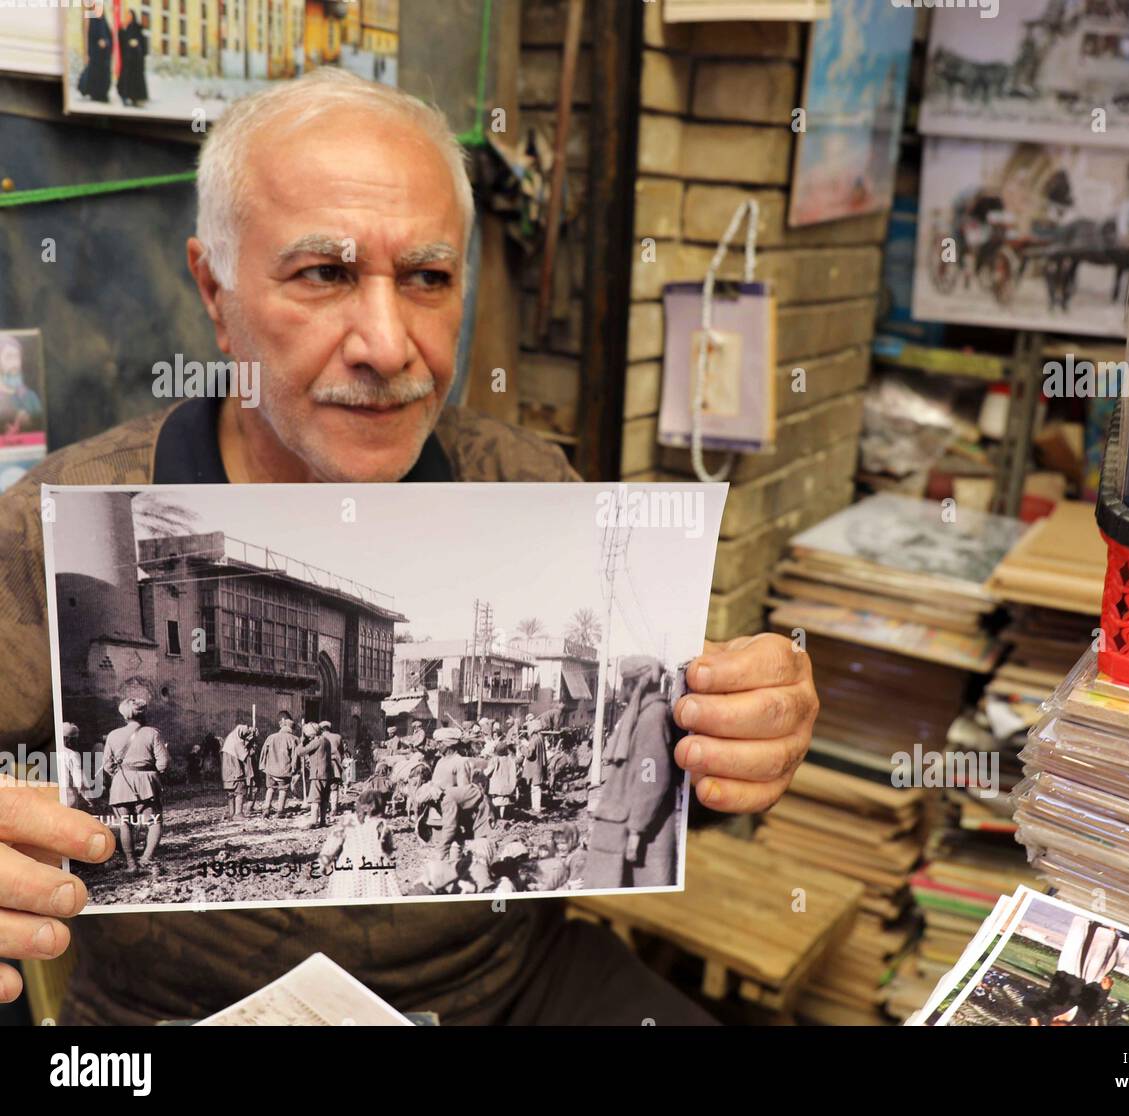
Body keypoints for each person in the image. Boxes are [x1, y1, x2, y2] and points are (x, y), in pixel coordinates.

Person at [0, 69, 817, 1025]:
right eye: (325, 274)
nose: (388, 345)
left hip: (502, 995)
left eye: (427, 278)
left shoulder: (530, 487)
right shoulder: (46, 520)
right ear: (214, 293)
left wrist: (747, 733)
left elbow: (668, 764)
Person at [583, 658, 681, 890]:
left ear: (636, 685)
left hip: (641, 836)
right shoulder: (642, 715)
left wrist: (636, 829)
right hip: (627, 827)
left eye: (625, 684)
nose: (621, 691)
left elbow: (651, 779)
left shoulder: (652, 717)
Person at [102, 698, 169, 873]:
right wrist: (155, 775)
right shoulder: (152, 733)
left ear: (124, 715)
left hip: (121, 782)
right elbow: (164, 762)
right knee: (154, 822)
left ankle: (131, 864)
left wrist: (121, 775)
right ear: (143, 713)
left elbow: (107, 765)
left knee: (125, 824)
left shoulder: (113, 735)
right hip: (147, 781)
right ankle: (146, 858)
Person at [318, 788, 401, 900]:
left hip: (349, 867)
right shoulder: (382, 824)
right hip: (375, 869)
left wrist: (322, 864)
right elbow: (388, 850)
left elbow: (332, 845)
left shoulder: (348, 821)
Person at [0, 334, 43, 438]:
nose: (15, 363)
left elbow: (39, 421)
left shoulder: (31, 397)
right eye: (9, 357)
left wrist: (28, 422)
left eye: (17, 357)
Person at [258, 712, 300, 818]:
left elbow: (263, 752)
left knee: (270, 788)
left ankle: (266, 808)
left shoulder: (271, 737)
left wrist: (263, 766)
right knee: (283, 789)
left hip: (270, 769)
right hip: (284, 770)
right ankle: (280, 811)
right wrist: (295, 769)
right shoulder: (294, 739)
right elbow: (296, 756)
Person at [76, 2, 114, 103]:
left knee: (105, 75)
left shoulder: (104, 21)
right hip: (94, 54)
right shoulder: (91, 21)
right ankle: (95, 94)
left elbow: (110, 38)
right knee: (94, 74)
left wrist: (105, 42)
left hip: (104, 56)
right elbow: (87, 38)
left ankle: (103, 94)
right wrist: (86, 53)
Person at [220, 724, 256, 819]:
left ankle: (231, 813)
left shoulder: (230, 739)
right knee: (240, 790)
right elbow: (245, 756)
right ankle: (238, 813)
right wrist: (252, 749)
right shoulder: (237, 743)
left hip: (226, 772)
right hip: (235, 771)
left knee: (230, 793)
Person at [116, 9, 149, 107]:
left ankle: (136, 98)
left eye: (130, 16)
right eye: (127, 15)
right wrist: (122, 30)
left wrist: (136, 43)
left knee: (135, 79)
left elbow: (142, 41)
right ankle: (125, 97)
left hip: (136, 60)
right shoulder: (123, 28)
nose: (128, 17)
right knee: (125, 78)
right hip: (127, 59)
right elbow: (122, 42)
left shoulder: (136, 27)